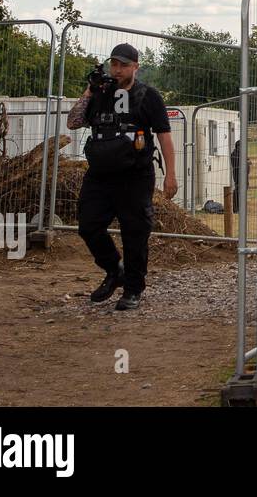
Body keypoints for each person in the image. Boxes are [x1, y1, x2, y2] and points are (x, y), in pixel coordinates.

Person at [65, 43, 176, 311]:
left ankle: (133, 289)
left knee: (134, 232)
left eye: (124, 65)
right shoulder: (100, 92)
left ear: (135, 66)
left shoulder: (148, 95)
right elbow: (73, 121)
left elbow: (164, 135)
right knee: (88, 226)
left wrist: (170, 174)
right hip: (100, 173)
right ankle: (115, 269)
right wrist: (90, 90)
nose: (117, 69)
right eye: (114, 64)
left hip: (135, 174)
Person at [229, 137, 250, 214]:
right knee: (238, 191)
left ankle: (240, 208)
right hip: (239, 176)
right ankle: (237, 209)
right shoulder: (235, 154)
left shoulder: (242, 154)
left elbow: (248, 162)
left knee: (242, 191)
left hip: (244, 176)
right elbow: (242, 164)